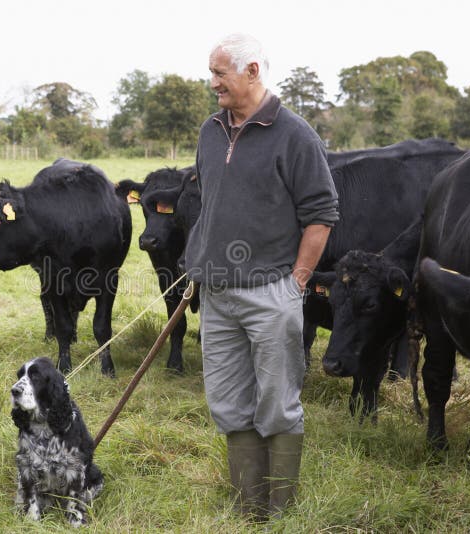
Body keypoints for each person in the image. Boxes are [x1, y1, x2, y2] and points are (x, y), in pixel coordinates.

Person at [184, 34, 338, 521]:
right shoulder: (210, 131)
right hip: (218, 294)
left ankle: (281, 512)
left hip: (272, 292)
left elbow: (321, 215)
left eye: (219, 73)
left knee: (277, 404)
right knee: (228, 403)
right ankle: (249, 510)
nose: (213, 83)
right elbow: (210, 205)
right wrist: (200, 265)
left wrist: (296, 282)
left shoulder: (295, 135)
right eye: (211, 73)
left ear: (252, 70)